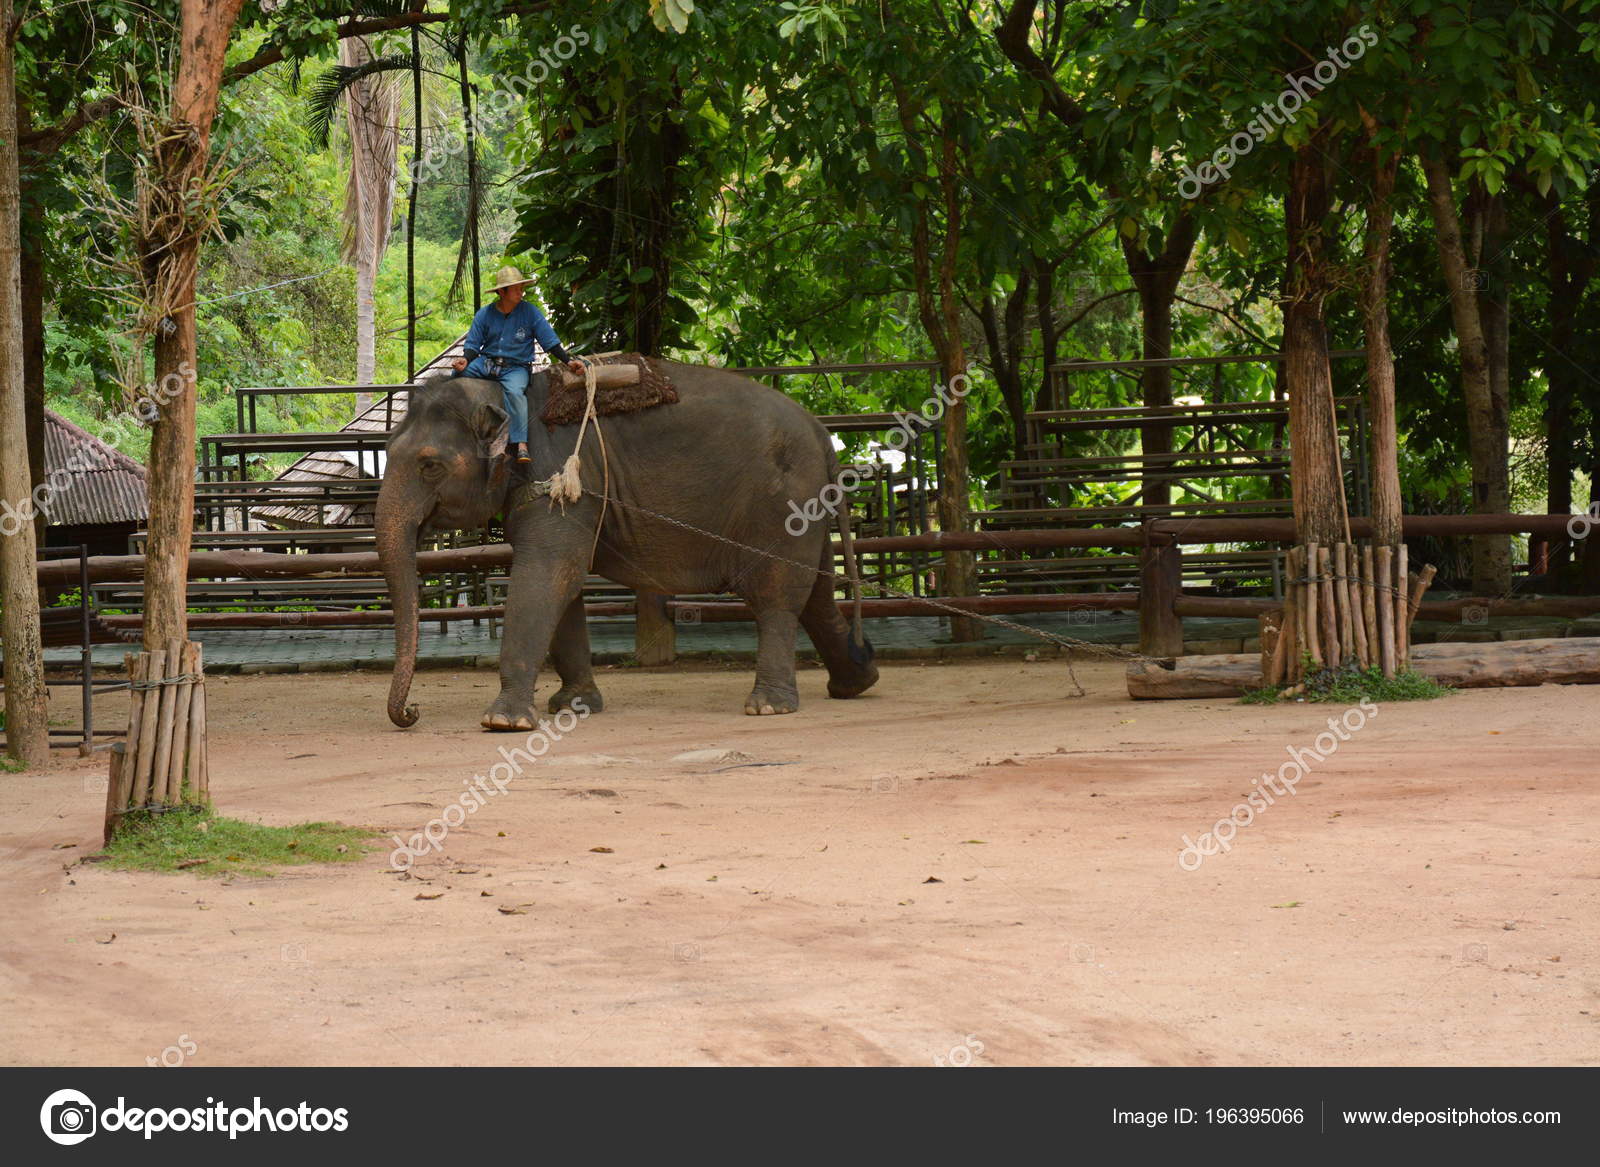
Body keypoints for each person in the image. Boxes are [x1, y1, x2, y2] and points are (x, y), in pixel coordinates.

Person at [452, 265, 583, 465]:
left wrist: (568, 361)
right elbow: (472, 345)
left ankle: (521, 444)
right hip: (486, 363)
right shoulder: (484, 314)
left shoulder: (530, 312)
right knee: (457, 374)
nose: (521, 292)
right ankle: (455, 427)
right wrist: (465, 360)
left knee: (514, 393)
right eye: (516, 289)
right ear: (502, 292)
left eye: (522, 288)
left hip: (515, 367)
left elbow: (550, 341)